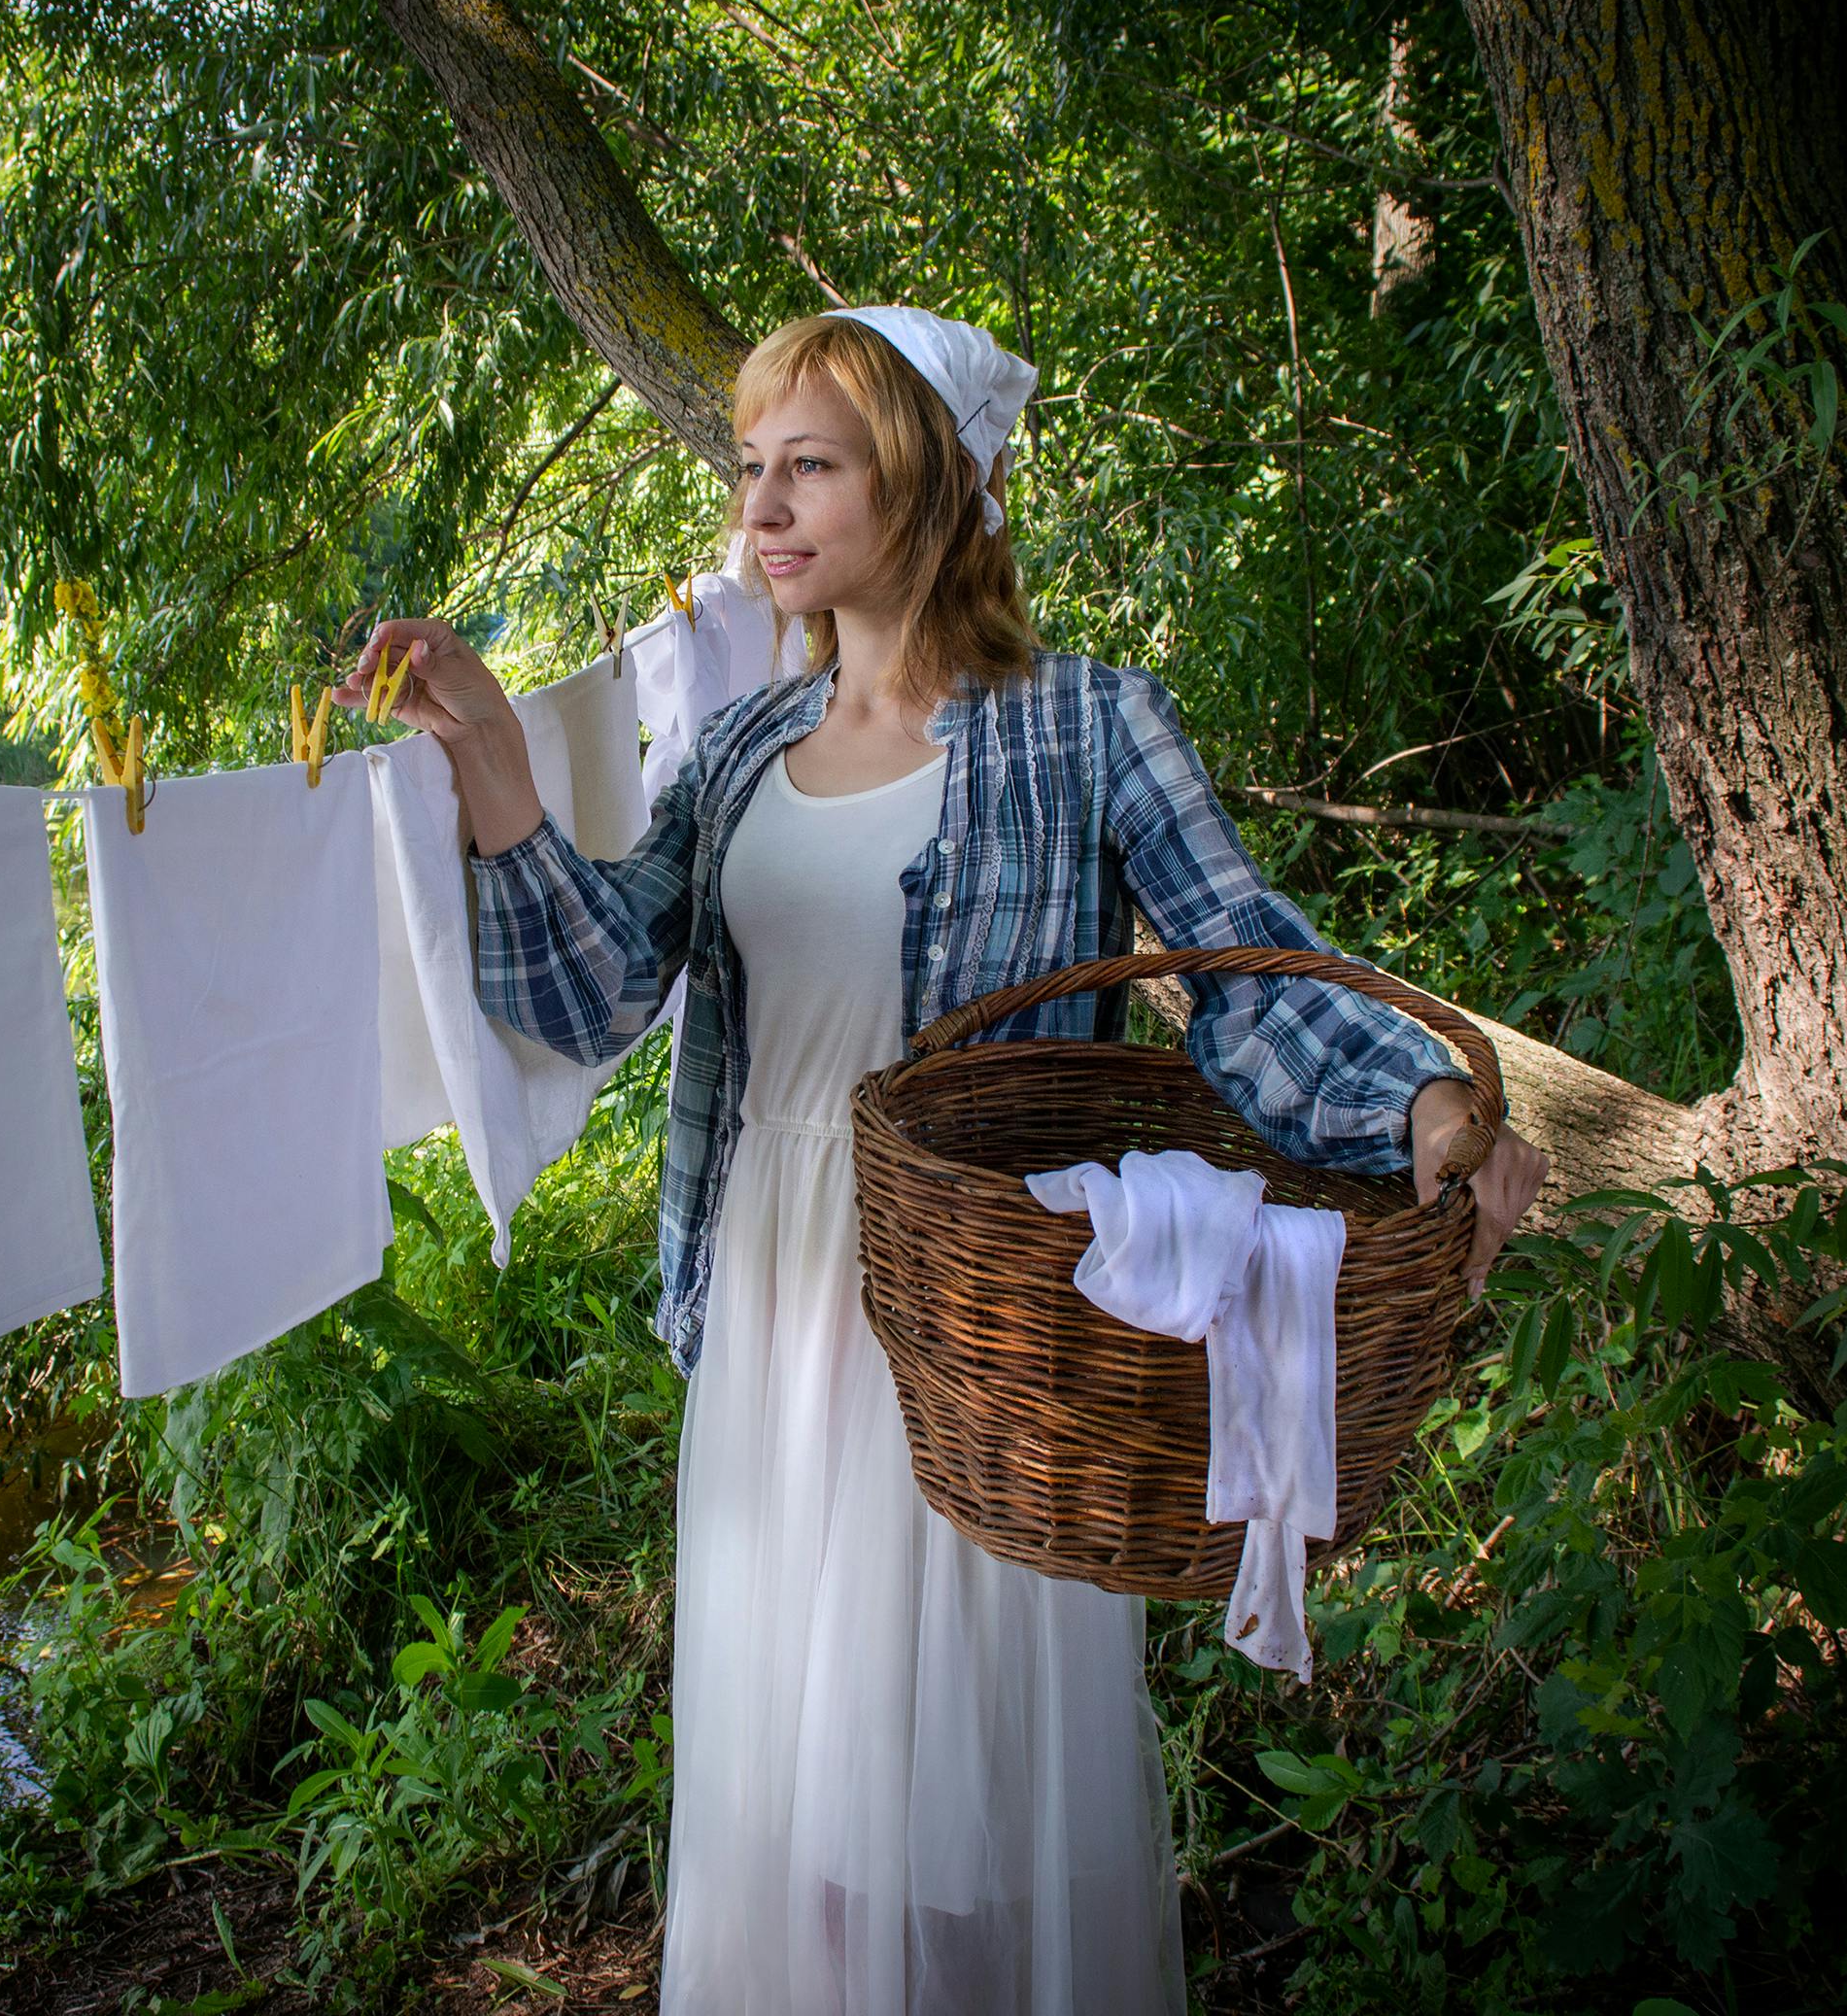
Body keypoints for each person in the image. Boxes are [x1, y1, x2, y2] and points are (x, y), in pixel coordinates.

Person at [337, 307, 1551, 2016]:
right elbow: (598, 984)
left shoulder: (1090, 726)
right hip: (775, 1303)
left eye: (807, 464)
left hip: (986, 1329)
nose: (759, 505)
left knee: (968, 1793)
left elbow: (1242, 973)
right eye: (751, 468)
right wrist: (491, 764)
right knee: (796, 1781)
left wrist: (1428, 1105)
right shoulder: (746, 749)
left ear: (929, 481)